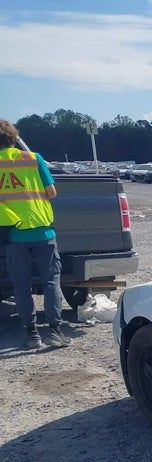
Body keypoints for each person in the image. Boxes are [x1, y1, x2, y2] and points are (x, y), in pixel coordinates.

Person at [0, 119, 69, 349]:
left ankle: (31, 335)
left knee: (21, 285)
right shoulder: (32, 158)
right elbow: (52, 192)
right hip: (42, 231)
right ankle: (55, 331)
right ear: (13, 137)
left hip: (13, 234)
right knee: (51, 282)